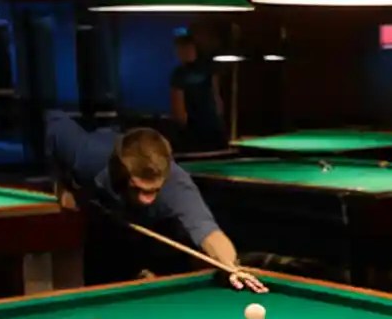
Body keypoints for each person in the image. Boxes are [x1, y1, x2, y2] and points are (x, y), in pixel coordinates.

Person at [44, 110, 265, 292]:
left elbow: (209, 233)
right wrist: (61, 184)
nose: (146, 199)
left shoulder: (177, 186)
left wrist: (231, 265)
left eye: (154, 191)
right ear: (122, 175)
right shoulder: (88, 156)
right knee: (101, 282)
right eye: (139, 190)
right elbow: (54, 123)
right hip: (106, 225)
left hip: (158, 233)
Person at [169, 34, 227, 152]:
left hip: (208, 126)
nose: (181, 53)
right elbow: (178, 104)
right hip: (197, 127)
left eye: (184, 49)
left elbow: (216, 96)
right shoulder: (180, 73)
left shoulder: (207, 69)